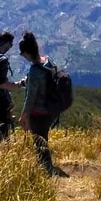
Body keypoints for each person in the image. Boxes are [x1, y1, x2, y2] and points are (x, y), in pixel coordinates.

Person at [18, 31, 66, 176]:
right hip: (51, 109)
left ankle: (46, 171)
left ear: (26, 53)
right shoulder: (48, 60)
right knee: (43, 139)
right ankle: (46, 168)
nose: (22, 56)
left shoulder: (34, 71)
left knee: (40, 142)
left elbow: (30, 98)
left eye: (22, 54)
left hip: (39, 112)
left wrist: (23, 117)